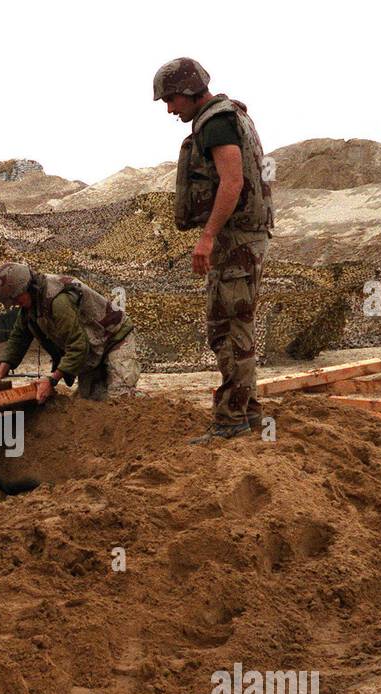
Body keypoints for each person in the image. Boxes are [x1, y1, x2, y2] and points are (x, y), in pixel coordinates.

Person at [153, 57, 274, 443]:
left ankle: (231, 420)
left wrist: (207, 237)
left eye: (171, 100)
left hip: (235, 241)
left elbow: (232, 181)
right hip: (242, 238)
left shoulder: (216, 122)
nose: (170, 110)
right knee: (236, 326)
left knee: (227, 329)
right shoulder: (227, 115)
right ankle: (248, 411)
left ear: (188, 91)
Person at [0, 262, 138, 402]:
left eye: (16, 300)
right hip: (93, 348)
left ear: (27, 287)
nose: (15, 305)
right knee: (89, 403)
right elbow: (19, 337)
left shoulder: (57, 300)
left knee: (120, 399)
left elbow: (77, 346)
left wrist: (52, 380)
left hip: (115, 338)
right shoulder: (31, 304)